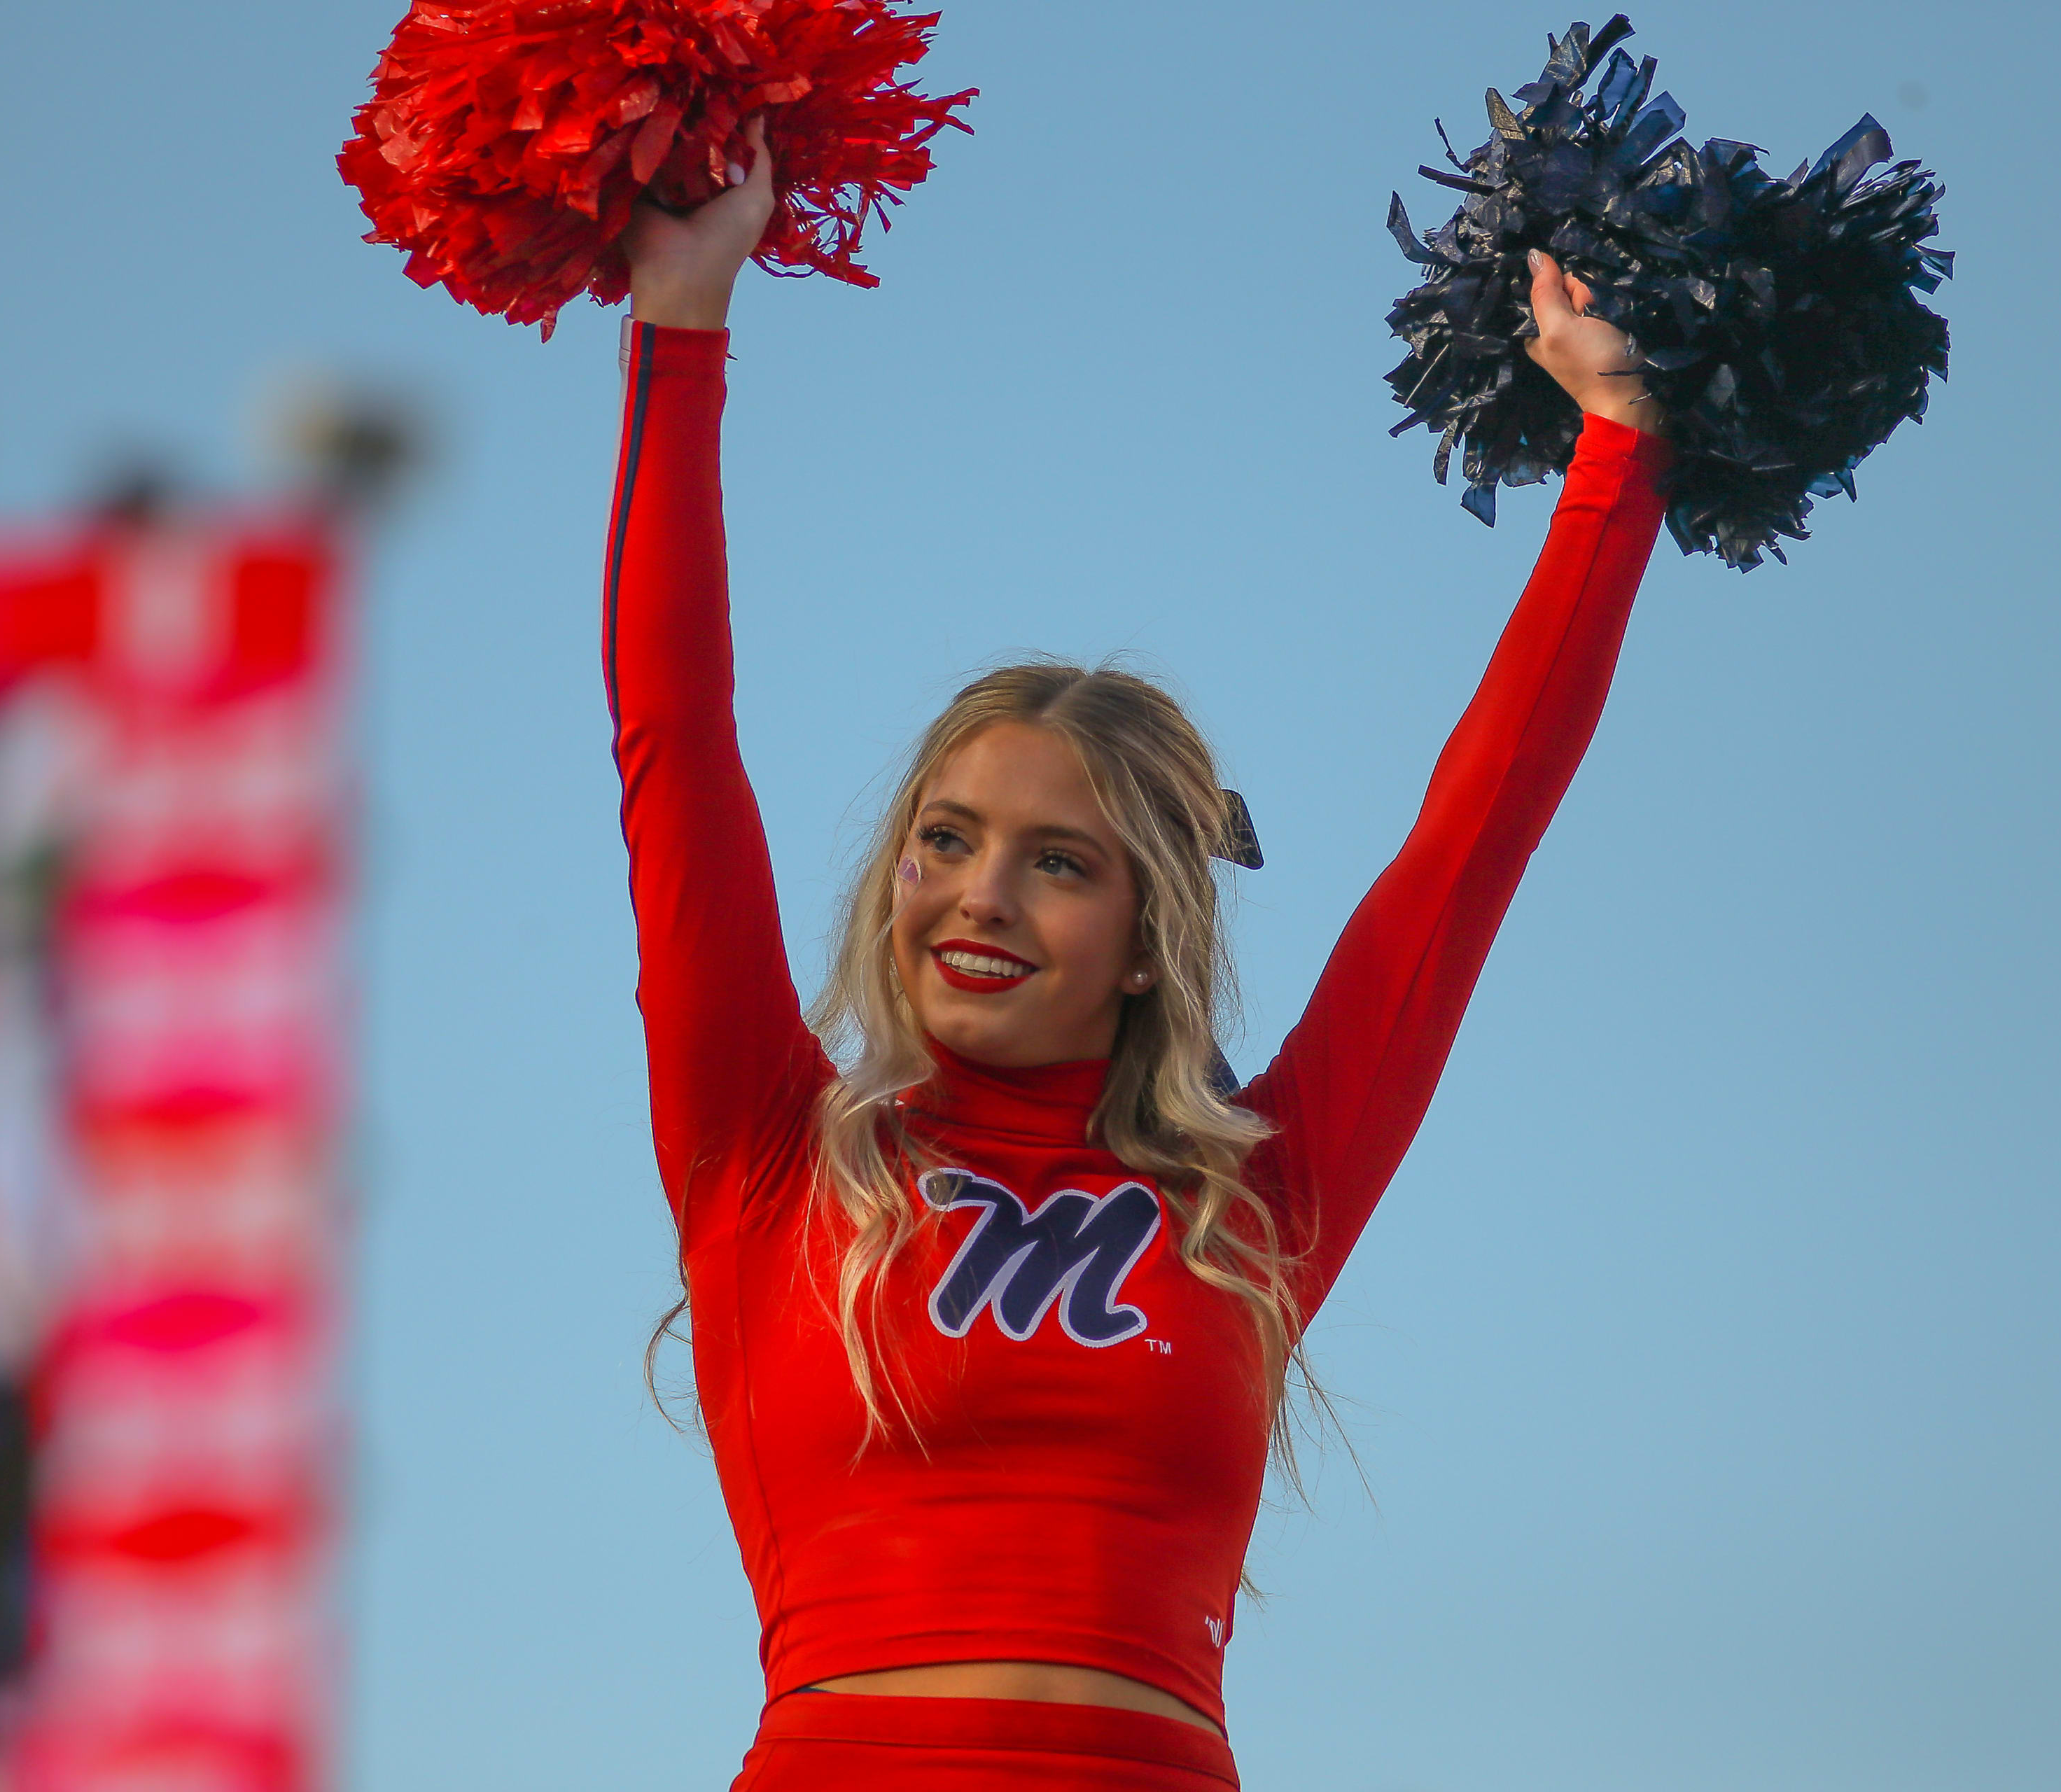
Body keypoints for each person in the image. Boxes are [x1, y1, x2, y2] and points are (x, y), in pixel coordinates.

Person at [605, 118, 1673, 1792]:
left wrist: (1619, 452)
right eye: (946, 839)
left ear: (1147, 941)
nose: (979, 898)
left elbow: (1468, 855)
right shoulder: (769, 1152)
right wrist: (682, 323)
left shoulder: (1258, 1201)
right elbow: (674, 741)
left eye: (1059, 864)